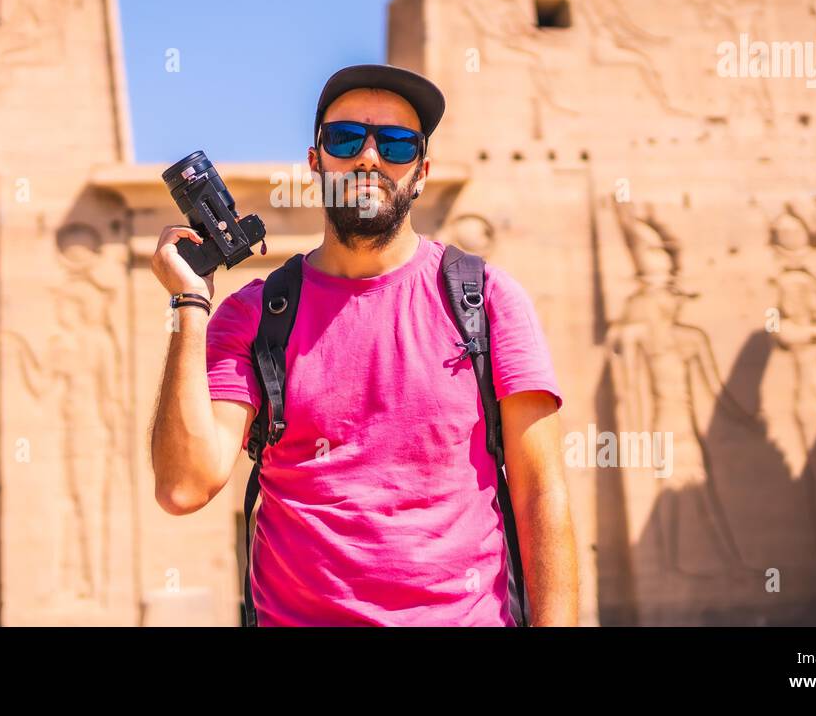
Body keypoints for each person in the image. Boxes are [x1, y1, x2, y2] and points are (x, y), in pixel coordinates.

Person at [149, 63, 577, 625]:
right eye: (346, 138)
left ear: (420, 172)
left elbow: (541, 496)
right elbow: (183, 486)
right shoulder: (255, 315)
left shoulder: (486, 300)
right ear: (315, 163)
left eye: (397, 144)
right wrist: (189, 305)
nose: (369, 157)